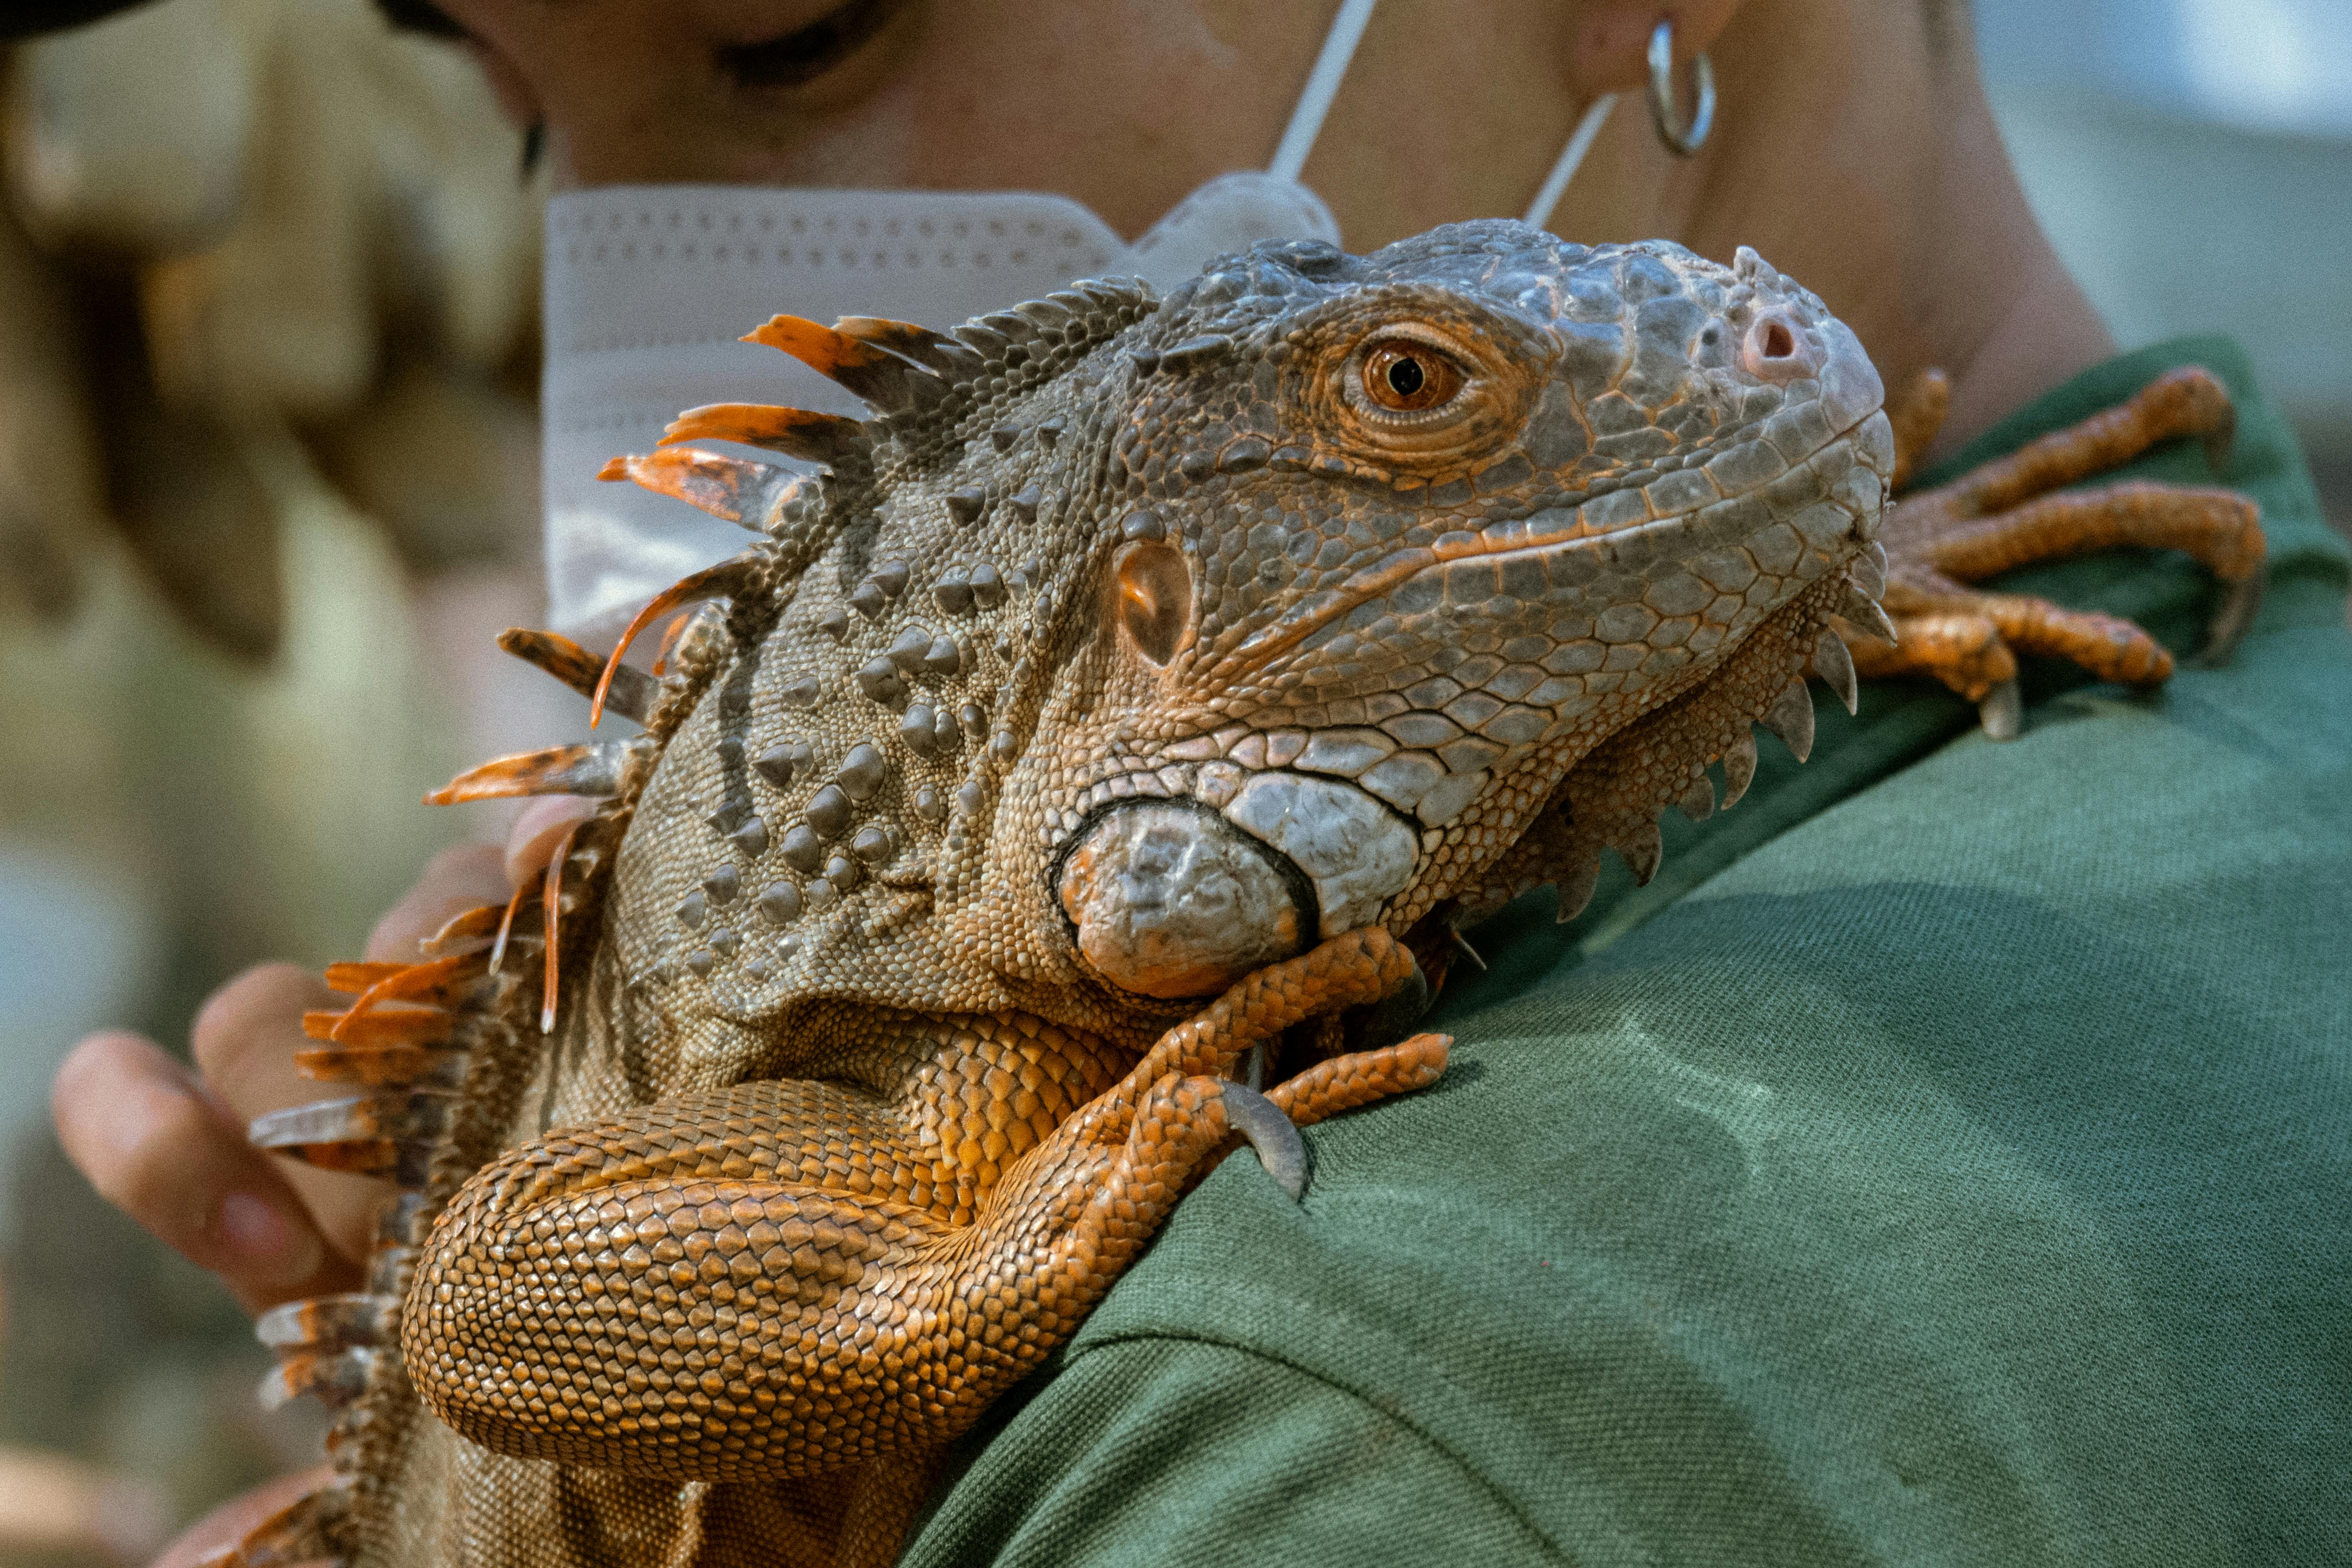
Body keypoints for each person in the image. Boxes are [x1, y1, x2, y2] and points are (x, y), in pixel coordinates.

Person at [50, 2, 2352, 1563]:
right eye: (519, 104)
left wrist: (984, 1283)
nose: (615, 239)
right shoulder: (2266, 723)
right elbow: (491, 1312)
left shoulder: (1343, 1384)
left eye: (784, 28)